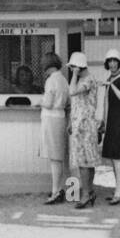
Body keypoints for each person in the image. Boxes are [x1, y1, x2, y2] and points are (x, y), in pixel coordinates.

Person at [99, 49, 120, 204]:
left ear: (119, 62)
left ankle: (119, 192)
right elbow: (106, 103)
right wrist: (103, 121)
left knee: (118, 157)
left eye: (115, 61)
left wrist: (111, 85)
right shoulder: (110, 79)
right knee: (113, 157)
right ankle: (118, 189)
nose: (112, 64)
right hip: (112, 120)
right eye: (110, 61)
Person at [66, 52, 100, 208]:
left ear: (78, 67)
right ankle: (89, 191)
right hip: (80, 125)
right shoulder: (85, 80)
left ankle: (86, 194)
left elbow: (72, 92)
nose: (71, 70)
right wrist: (71, 121)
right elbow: (77, 102)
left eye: (73, 67)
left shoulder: (88, 80)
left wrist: (74, 75)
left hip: (85, 127)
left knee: (85, 162)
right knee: (86, 161)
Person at [39, 52, 70, 205]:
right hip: (61, 118)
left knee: (55, 158)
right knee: (58, 157)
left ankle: (56, 191)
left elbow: (48, 103)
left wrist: (40, 101)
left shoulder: (51, 81)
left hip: (51, 119)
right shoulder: (63, 80)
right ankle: (58, 189)